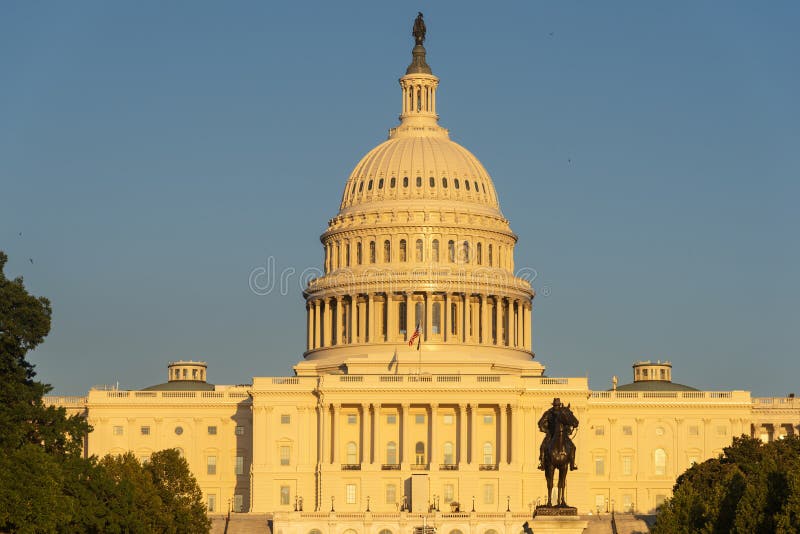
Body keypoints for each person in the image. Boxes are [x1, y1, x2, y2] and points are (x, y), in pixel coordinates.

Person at [538, 398, 578, 471]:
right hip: (551, 434)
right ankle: (542, 463)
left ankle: (572, 464)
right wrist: (547, 430)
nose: (557, 407)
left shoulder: (563, 413)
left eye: (558, 405)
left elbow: (567, 422)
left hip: (563, 434)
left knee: (573, 447)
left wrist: (569, 430)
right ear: (553, 405)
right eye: (555, 405)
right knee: (543, 446)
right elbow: (540, 423)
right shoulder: (548, 413)